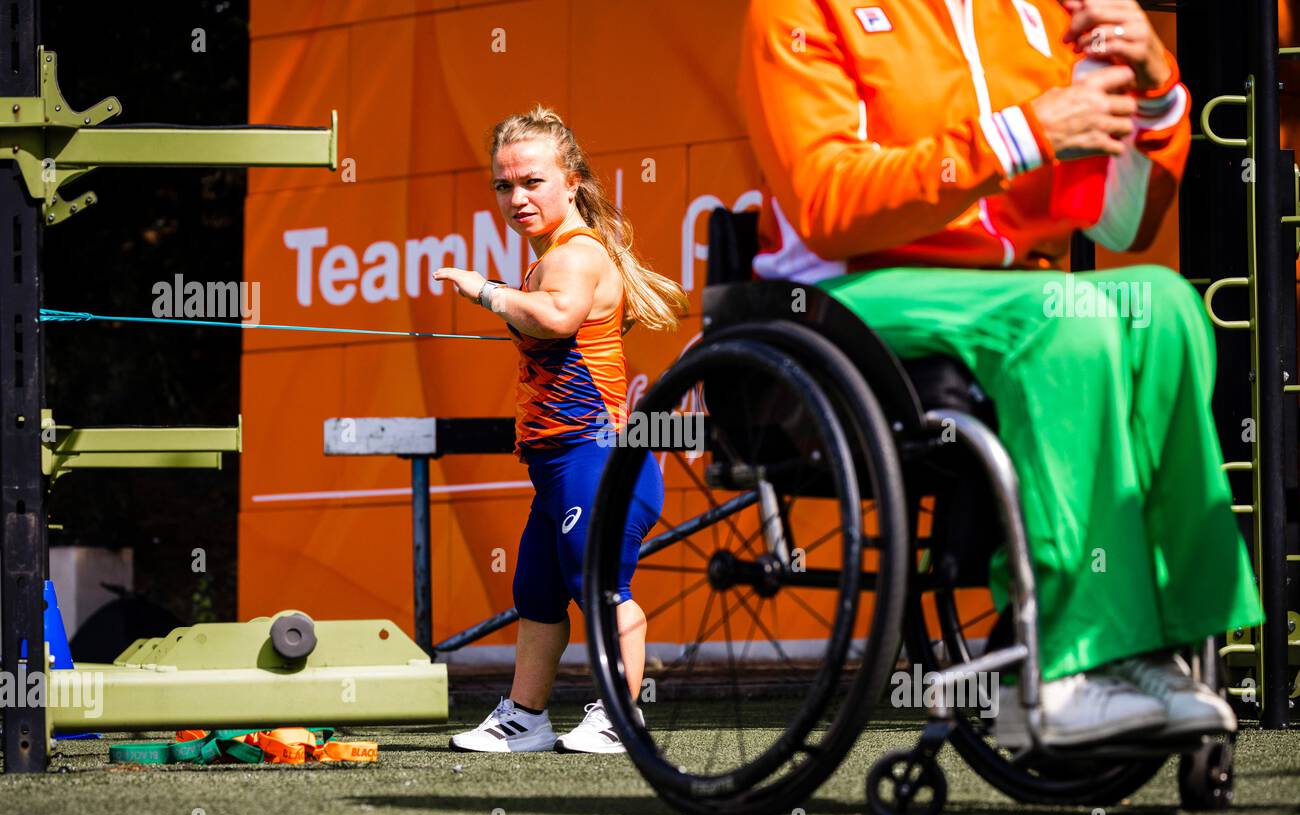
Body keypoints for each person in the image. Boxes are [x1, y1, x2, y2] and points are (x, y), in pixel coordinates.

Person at [739, 0, 1262, 746]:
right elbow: (827, 203)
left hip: (1013, 296)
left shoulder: (1042, 13)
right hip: (843, 294)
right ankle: (1059, 663)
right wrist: (1022, 134)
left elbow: (1116, 222)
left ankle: (1158, 647)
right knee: (1063, 314)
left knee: (1166, 307)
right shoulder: (798, 10)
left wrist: (1157, 94)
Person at [434, 105, 688, 753]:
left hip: (599, 462)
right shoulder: (553, 255)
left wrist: (482, 290)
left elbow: (558, 317)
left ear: (572, 181)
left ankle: (620, 715)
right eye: (503, 185)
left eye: (531, 182)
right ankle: (526, 717)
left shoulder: (573, 257)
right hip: (561, 465)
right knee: (539, 593)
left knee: (600, 587)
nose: (515, 198)